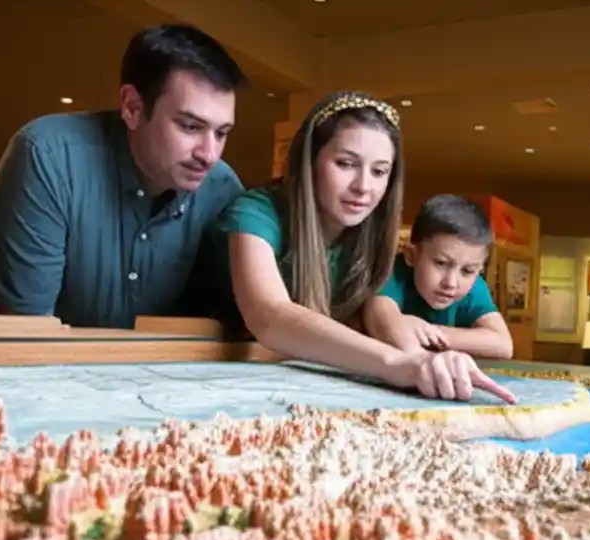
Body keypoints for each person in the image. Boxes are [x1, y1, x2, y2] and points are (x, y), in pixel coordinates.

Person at [194, 91, 516, 404]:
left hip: (297, 376)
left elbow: (377, 315)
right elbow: (269, 316)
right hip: (204, 365)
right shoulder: (256, 211)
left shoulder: (372, 238)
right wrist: (402, 363)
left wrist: (418, 350)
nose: (363, 187)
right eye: (346, 164)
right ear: (310, 161)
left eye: (379, 172)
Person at [0, 24, 245, 329]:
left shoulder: (223, 192)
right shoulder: (48, 156)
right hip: (0, 341)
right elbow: (25, 334)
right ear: (132, 108)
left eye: (222, 132)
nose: (209, 154)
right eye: (190, 126)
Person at [363, 194, 513, 359]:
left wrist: (429, 332)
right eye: (441, 263)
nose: (451, 282)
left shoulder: (475, 287)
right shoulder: (390, 271)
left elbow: (503, 345)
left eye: (468, 271)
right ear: (412, 255)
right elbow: (382, 321)